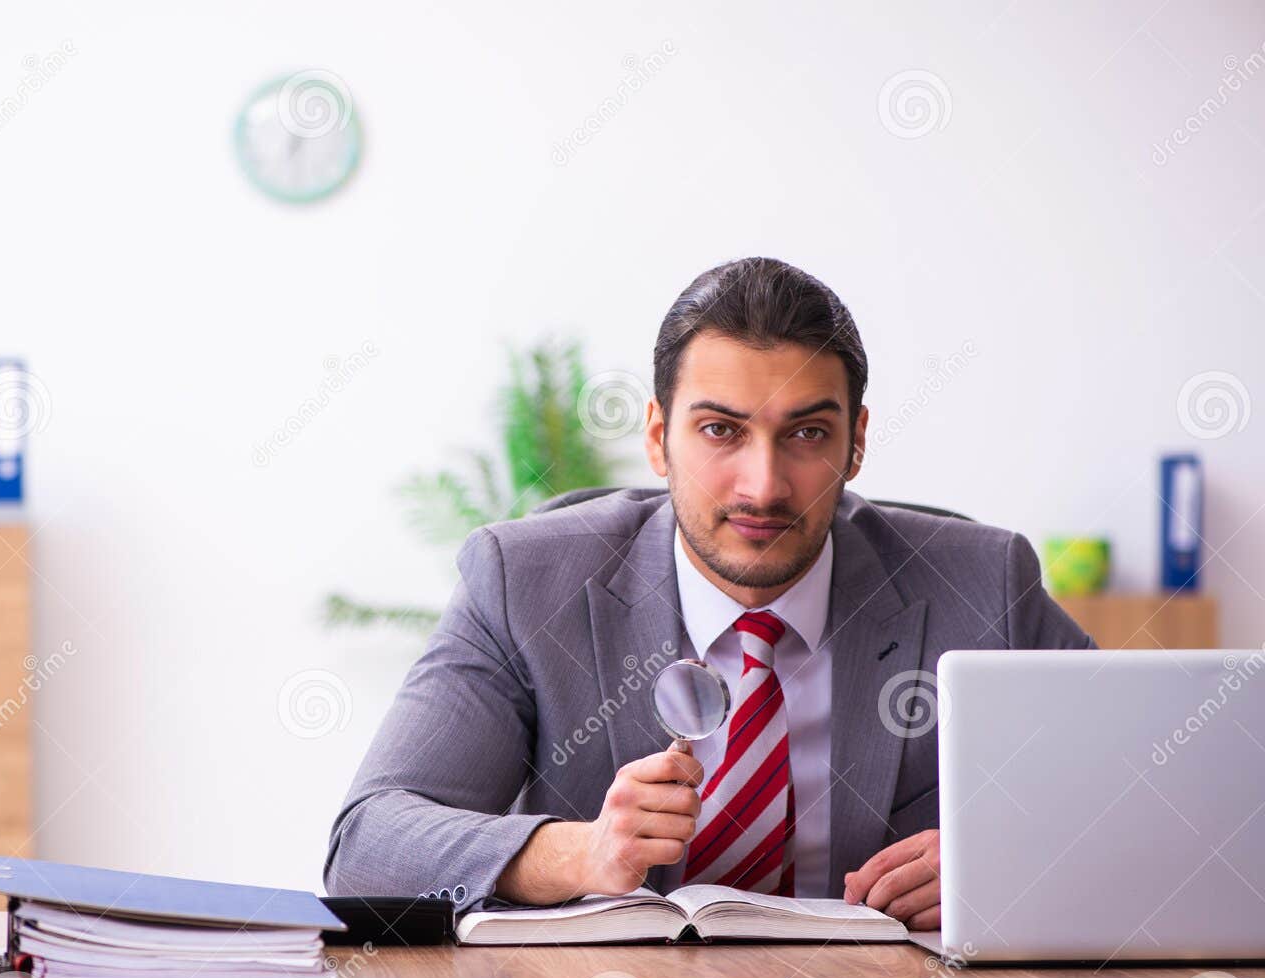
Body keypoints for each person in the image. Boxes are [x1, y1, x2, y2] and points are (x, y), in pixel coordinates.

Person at [324, 256, 1092, 930]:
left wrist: (1004, 858)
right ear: (658, 437)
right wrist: (579, 851)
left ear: (857, 441)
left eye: (807, 435)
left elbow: (1168, 799)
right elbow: (367, 848)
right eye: (722, 432)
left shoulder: (984, 585)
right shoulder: (525, 584)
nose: (763, 485)